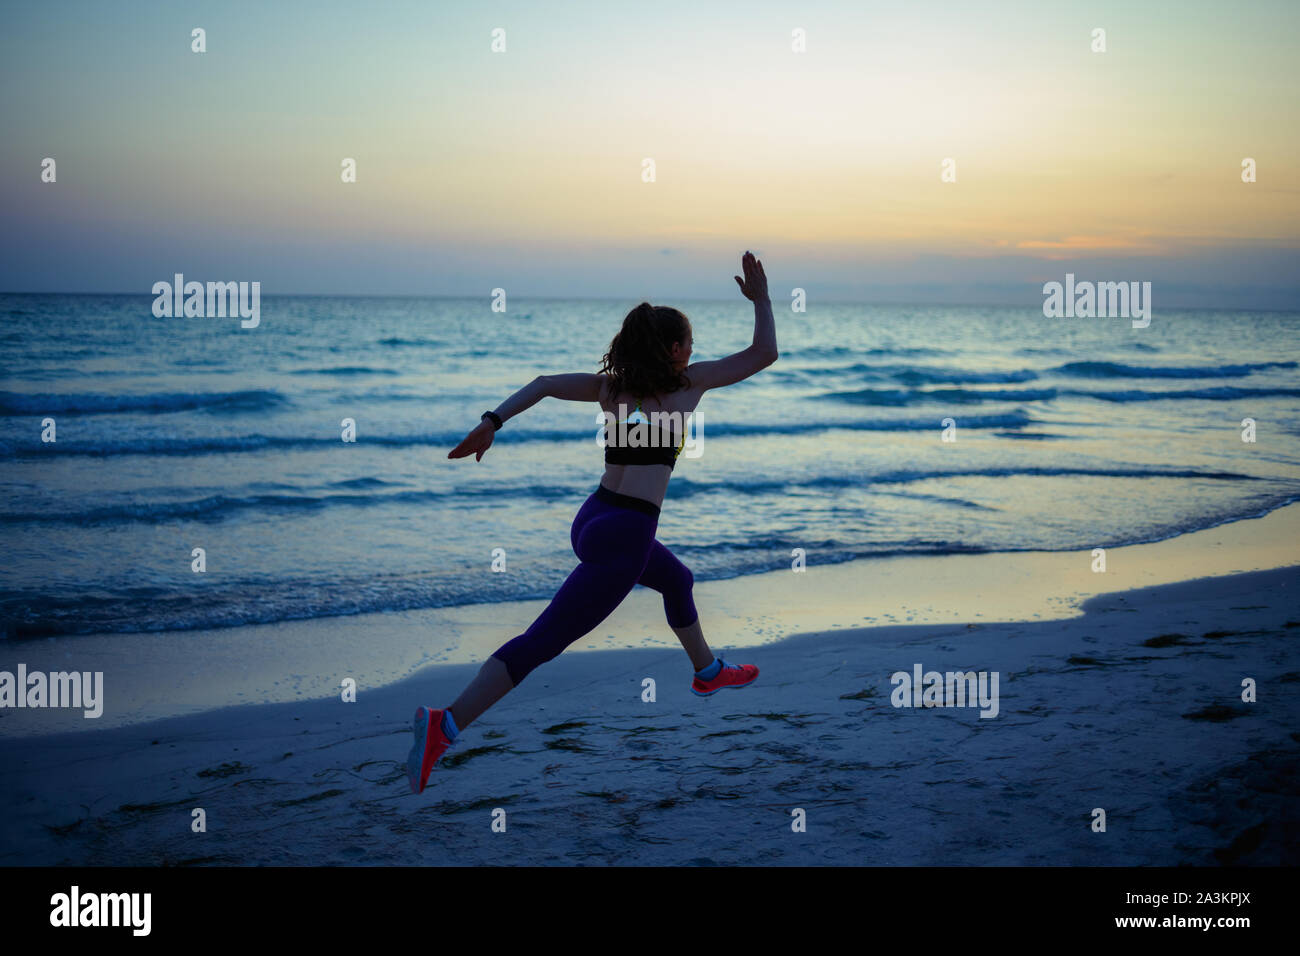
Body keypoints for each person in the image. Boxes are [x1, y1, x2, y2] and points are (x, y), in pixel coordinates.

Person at [408, 251, 778, 793]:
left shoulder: (612, 389)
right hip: (625, 536)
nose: (695, 352)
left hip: (594, 517)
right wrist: (762, 299)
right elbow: (764, 352)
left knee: (677, 580)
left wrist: (492, 422)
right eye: (690, 344)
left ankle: (706, 671)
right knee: (541, 643)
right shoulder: (686, 386)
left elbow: (543, 383)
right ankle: (447, 723)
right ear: (675, 351)